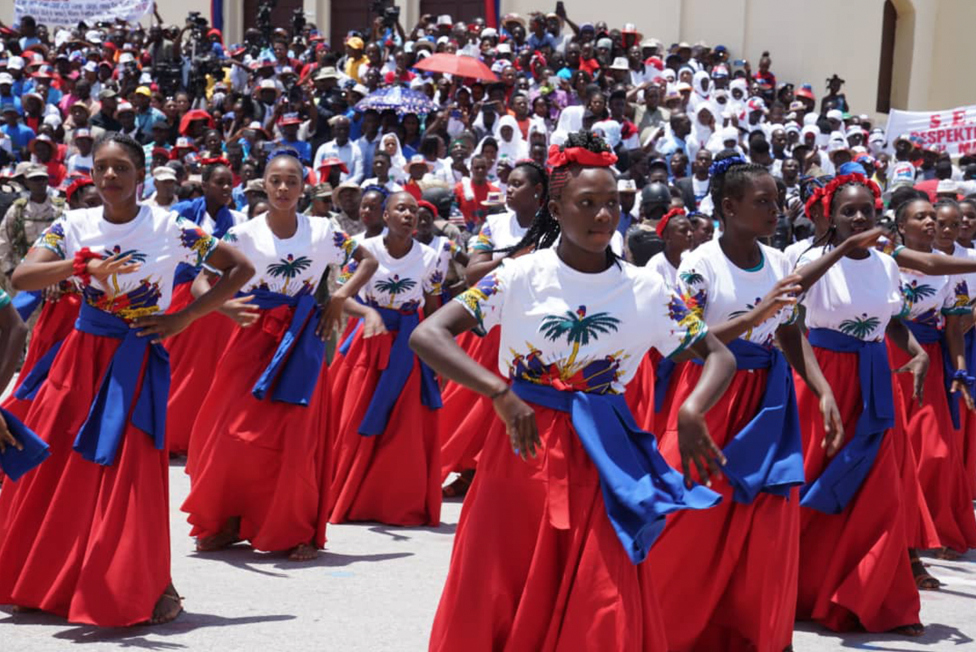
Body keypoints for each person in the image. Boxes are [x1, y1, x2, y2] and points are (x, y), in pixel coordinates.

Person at [413, 131, 735, 651]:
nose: (604, 215)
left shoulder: (647, 288)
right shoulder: (518, 275)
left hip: (605, 451)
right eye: (587, 203)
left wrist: (694, 409)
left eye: (613, 204)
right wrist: (499, 392)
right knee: (499, 581)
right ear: (556, 208)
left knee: (601, 593)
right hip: (521, 449)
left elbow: (719, 355)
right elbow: (428, 334)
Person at [0, 132, 254, 626]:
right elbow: (21, 279)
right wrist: (81, 264)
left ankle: (139, 583)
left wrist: (185, 317)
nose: (110, 176)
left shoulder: (170, 226)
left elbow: (240, 268)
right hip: (80, 358)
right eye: (101, 167)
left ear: (140, 174)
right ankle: (44, 579)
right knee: (60, 466)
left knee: (129, 472)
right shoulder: (73, 224)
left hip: (137, 359)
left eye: (121, 167)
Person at [647, 152, 883, 652]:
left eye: (776, 201)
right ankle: (663, 630)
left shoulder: (777, 261)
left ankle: (758, 637)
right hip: (712, 395)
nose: (775, 211)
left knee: (767, 524)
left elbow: (791, 330)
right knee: (690, 519)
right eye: (763, 202)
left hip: (770, 402)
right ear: (729, 207)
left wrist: (821, 390)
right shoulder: (700, 264)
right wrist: (758, 315)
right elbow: (683, 343)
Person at [181, 150, 378, 560]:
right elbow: (201, 282)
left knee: (296, 439)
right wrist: (224, 306)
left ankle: (296, 529)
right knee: (231, 433)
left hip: (303, 339)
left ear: (304, 187)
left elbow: (368, 261)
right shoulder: (243, 234)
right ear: (263, 185)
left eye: (292, 181)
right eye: (275, 180)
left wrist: (339, 296)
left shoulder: (323, 231)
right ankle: (227, 521)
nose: (283, 188)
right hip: (251, 338)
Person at [792, 173, 925, 636]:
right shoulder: (809, 259)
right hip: (822, 380)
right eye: (847, 210)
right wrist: (820, 387)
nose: (858, 217)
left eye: (866, 209)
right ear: (830, 216)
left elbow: (893, 322)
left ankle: (878, 601)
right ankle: (804, 591)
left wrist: (917, 351)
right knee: (816, 487)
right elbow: (791, 317)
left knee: (879, 494)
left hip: (873, 381)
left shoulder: (886, 264)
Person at [328, 191, 443, 527]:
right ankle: (345, 495)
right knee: (354, 420)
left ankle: (391, 501)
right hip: (368, 342)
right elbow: (342, 297)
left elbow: (433, 309)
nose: (408, 215)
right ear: (386, 215)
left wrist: (437, 357)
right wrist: (368, 313)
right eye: (400, 209)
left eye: (413, 210)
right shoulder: (365, 250)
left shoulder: (432, 257)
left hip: (409, 344)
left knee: (403, 426)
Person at [438, 161, 548, 497]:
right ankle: (462, 468)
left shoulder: (555, 227)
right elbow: (474, 274)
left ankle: (492, 473)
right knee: (472, 402)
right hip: (493, 326)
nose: (508, 190)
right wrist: (514, 258)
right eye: (508, 183)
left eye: (516, 184)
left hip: (535, 329)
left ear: (538, 191)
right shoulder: (496, 224)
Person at [886, 193, 976, 559]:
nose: (930, 223)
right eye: (921, 217)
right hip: (890, 356)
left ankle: (929, 529)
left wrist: (961, 370)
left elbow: (954, 327)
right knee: (895, 451)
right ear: (901, 226)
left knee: (934, 453)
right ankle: (901, 537)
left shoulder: (951, 270)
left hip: (931, 360)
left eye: (932, 218)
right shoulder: (885, 260)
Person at [0, 165, 64, 292]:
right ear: (27, 182)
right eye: (34, 179)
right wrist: (9, 270)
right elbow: (4, 241)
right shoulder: (17, 210)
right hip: (23, 270)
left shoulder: (61, 208)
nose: (39, 183)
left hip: (53, 273)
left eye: (42, 179)